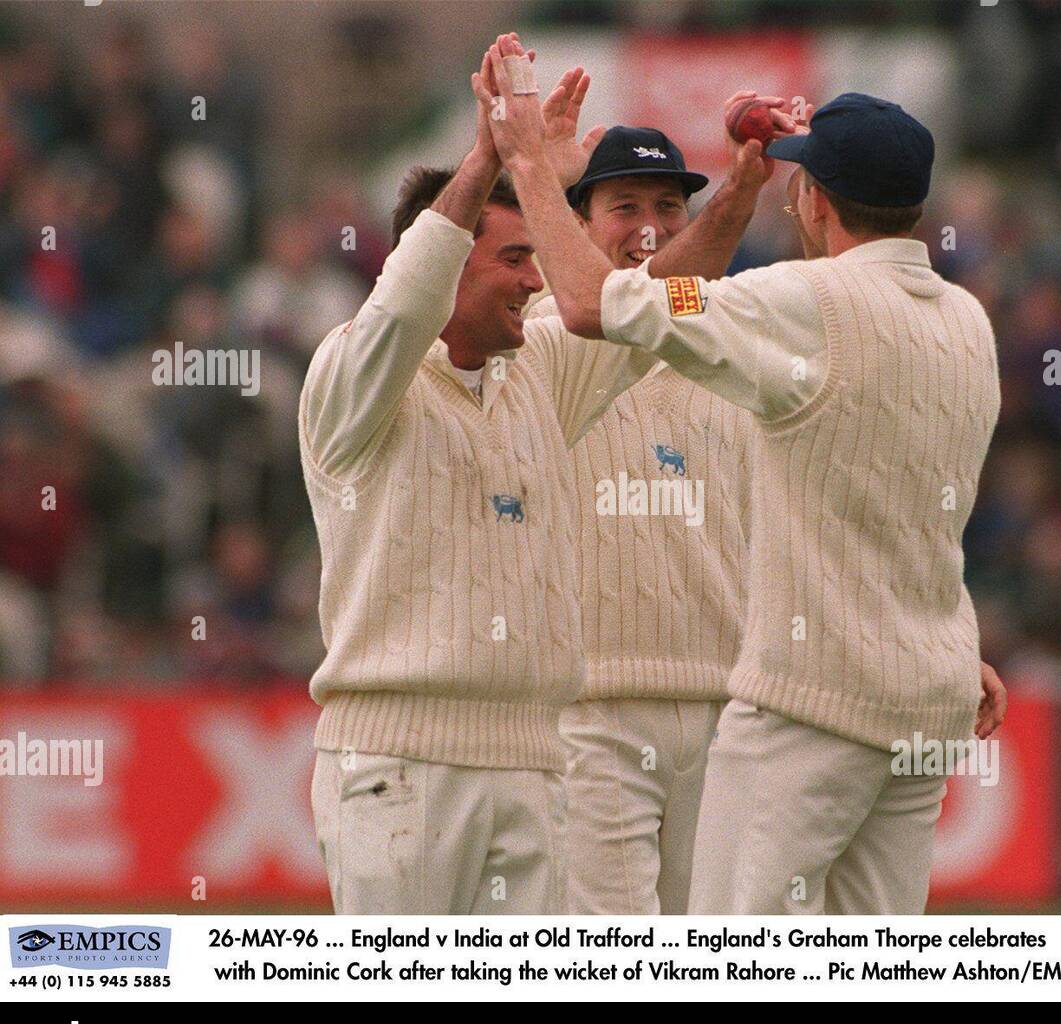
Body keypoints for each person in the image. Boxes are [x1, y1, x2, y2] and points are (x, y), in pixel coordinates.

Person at [485, 35, 1008, 915]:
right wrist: (950, 642)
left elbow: (599, 306)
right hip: (923, 704)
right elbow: (899, 495)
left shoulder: (794, 304)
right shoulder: (968, 320)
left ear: (810, 197)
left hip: (807, 708)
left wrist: (530, 164)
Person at [303, 42, 780, 914]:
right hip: (400, 768)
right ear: (442, 262)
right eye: (514, 261)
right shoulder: (354, 380)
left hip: (531, 763)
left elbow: (659, 296)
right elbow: (402, 306)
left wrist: (740, 193)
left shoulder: (542, 372)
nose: (538, 285)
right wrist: (495, 156)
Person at [533, 118, 782, 913]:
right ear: (577, 224)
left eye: (669, 205)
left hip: (723, 709)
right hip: (594, 708)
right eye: (624, 205)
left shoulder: (736, 342)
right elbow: (588, 304)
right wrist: (533, 165)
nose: (649, 226)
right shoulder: (545, 334)